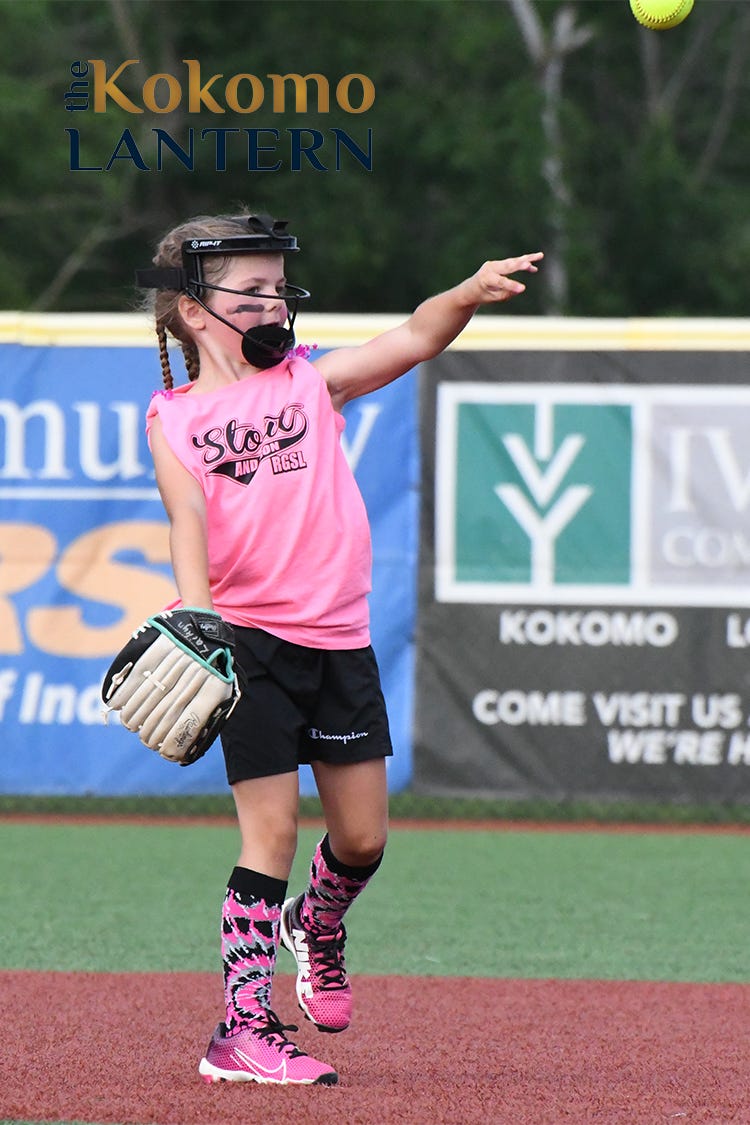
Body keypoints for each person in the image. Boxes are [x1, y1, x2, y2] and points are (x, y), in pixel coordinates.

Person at [138, 211, 542, 1086]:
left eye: (278, 285)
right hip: (248, 644)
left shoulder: (308, 382)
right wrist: (200, 621)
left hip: (339, 641)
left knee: (361, 839)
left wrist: (467, 292)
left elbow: (414, 336)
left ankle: (315, 922)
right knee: (271, 832)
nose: (274, 298)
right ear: (194, 312)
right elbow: (188, 523)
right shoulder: (173, 420)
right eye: (252, 289)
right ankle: (241, 1031)